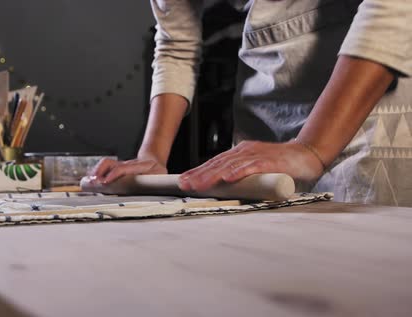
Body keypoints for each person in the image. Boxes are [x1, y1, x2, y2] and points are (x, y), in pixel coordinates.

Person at [91, 0, 412, 206]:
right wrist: (152, 157)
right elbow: (176, 41)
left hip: (365, 93)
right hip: (264, 100)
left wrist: (313, 147)